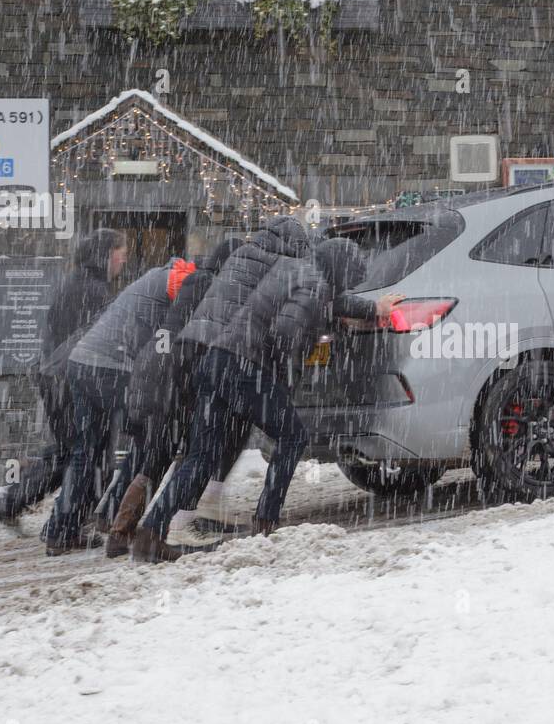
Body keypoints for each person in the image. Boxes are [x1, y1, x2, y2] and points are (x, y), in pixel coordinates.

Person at [130, 238, 403, 563]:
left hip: (217, 360)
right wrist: (302, 351)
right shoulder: (314, 286)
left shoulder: (294, 271)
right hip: (246, 367)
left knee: (201, 455)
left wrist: (372, 310)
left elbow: (329, 302)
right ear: (341, 271)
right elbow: (286, 333)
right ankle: (266, 521)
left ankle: (150, 533)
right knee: (293, 436)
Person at [40, 254, 197, 556]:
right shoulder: (180, 278)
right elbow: (168, 335)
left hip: (81, 362)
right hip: (110, 367)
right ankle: (114, 515)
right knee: (150, 438)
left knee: (87, 451)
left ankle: (61, 530)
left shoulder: (153, 276)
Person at [104, 236, 245, 558]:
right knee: (192, 452)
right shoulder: (209, 284)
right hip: (171, 370)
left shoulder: (196, 279)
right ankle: (168, 528)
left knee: (157, 453)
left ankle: (120, 533)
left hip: (154, 363)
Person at [0, 230, 127, 524]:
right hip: (69, 380)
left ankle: (20, 504)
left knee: (72, 450)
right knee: (85, 452)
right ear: (105, 254)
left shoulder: (82, 283)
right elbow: (95, 340)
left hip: (57, 377)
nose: (123, 259)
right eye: (120, 252)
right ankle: (70, 516)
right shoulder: (92, 289)